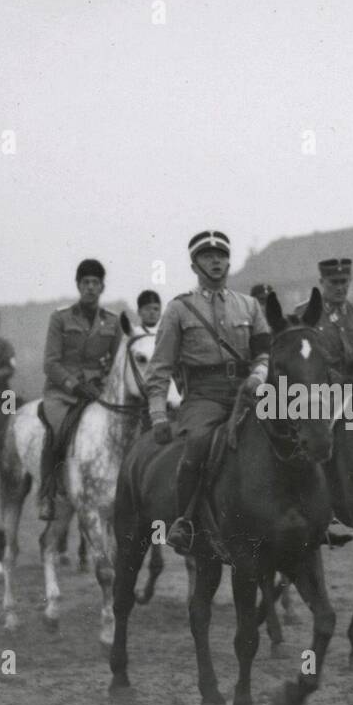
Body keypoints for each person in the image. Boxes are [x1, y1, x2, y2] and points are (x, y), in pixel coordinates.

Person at [144, 230, 270, 558]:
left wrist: (259, 374)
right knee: (199, 442)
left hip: (250, 392)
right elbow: (158, 369)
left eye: (221, 256)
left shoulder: (251, 306)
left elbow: (265, 353)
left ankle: (309, 513)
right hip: (204, 397)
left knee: (292, 427)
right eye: (207, 256)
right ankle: (185, 521)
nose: (216, 261)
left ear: (229, 261)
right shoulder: (179, 309)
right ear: (194, 264)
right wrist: (158, 413)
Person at [38, 259, 124, 521]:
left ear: (102, 287)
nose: (90, 288)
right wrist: (74, 384)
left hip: (97, 393)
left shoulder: (112, 321)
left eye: (95, 283)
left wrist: (103, 383)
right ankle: (49, 492)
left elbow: (118, 362)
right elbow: (50, 363)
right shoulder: (60, 318)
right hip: (62, 394)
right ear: (78, 285)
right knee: (57, 432)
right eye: (85, 282)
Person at [293, 258, 353, 389]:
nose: (340, 288)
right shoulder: (304, 314)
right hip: (316, 395)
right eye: (334, 282)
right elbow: (293, 356)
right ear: (322, 282)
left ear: (350, 281)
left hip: (352, 393)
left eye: (344, 282)